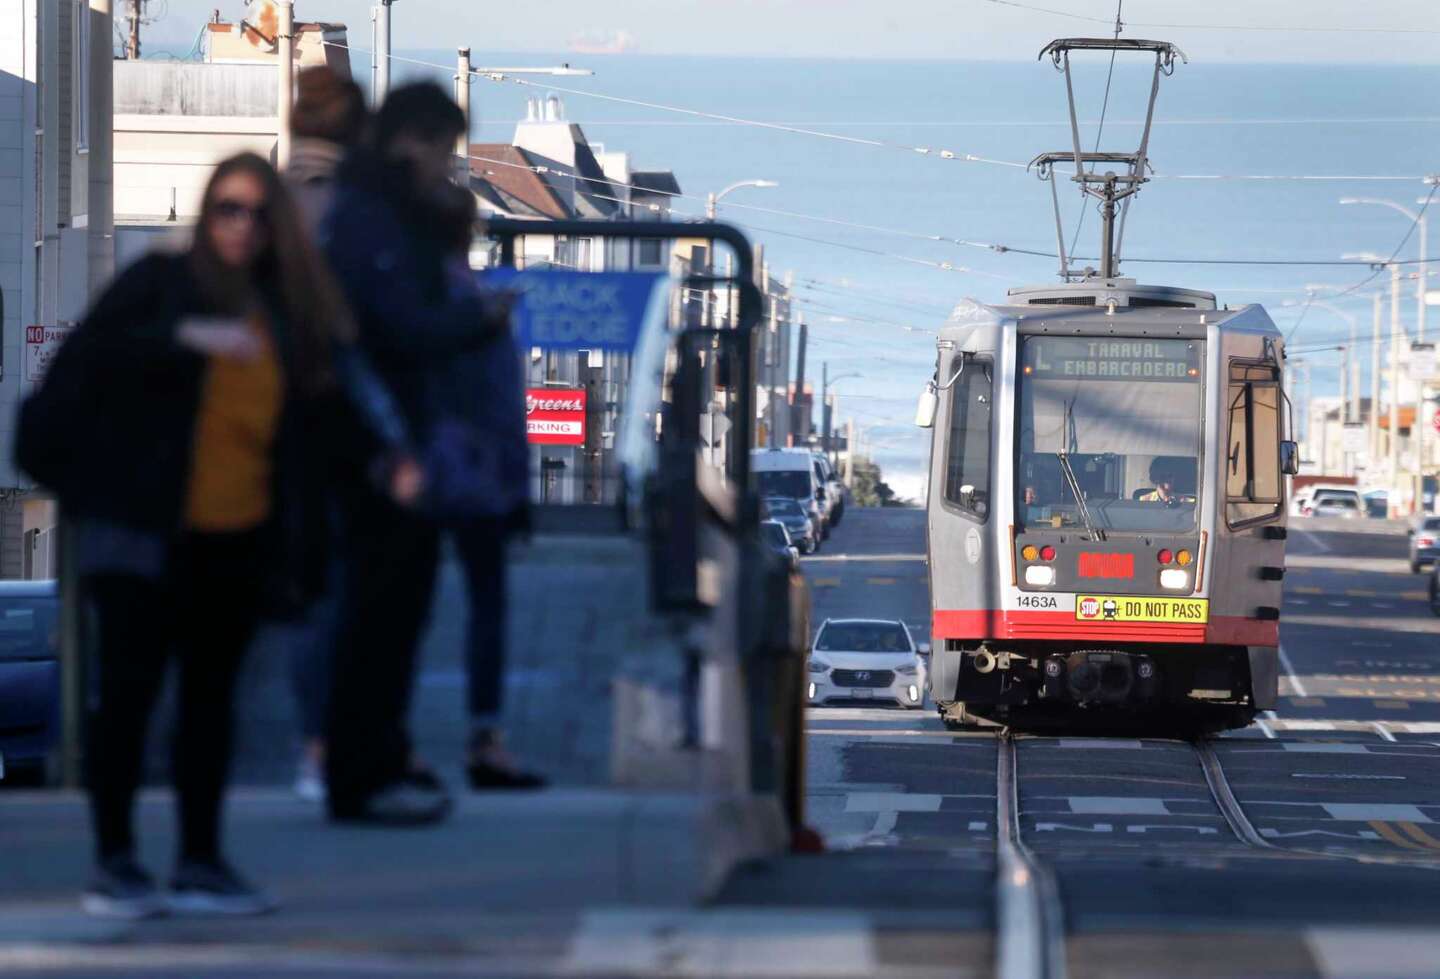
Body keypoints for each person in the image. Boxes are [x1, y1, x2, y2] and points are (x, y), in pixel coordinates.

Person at [15, 153, 417, 919]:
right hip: (138, 533)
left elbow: (324, 415)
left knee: (208, 705)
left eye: (261, 214)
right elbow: (83, 370)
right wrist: (185, 339)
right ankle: (116, 862)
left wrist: (386, 462)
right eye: (229, 210)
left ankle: (200, 861)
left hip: (234, 537)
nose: (243, 227)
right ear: (207, 214)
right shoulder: (158, 289)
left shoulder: (283, 313)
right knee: (130, 700)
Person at [321, 82, 517, 823]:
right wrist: (474, 325)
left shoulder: (370, 212)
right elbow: (385, 334)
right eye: (443, 150)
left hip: (396, 441)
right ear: (413, 139)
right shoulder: (374, 220)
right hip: (383, 448)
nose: (446, 167)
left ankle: (378, 763)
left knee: (393, 615)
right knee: (379, 615)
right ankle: (364, 772)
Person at [432, 183, 545, 789]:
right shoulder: (468, 303)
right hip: (471, 477)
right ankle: (484, 737)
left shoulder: (428, 295)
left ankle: (469, 736)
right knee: (484, 607)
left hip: (428, 471)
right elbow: (504, 409)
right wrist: (517, 490)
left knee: (419, 608)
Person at [280, 65, 369, 803]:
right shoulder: (354, 216)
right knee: (336, 596)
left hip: (256, 432)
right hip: (333, 429)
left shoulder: (254, 203)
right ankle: (324, 743)